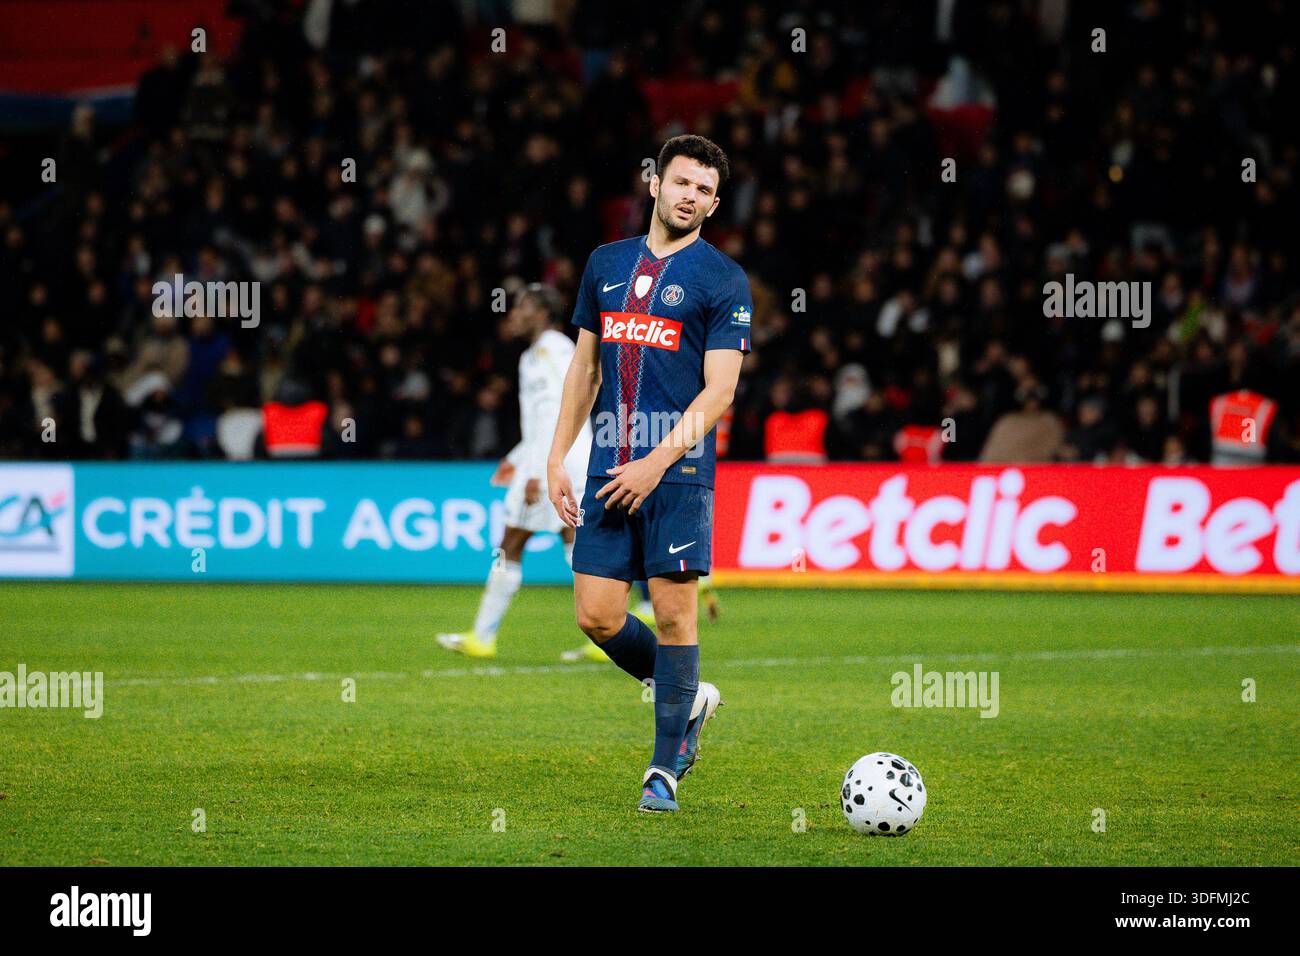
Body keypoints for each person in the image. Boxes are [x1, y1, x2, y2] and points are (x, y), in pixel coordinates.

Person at [546, 135, 750, 813]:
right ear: (655, 183)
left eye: (704, 190)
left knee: (672, 613)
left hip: (679, 471)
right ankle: (690, 698)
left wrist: (658, 461)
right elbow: (584, 369)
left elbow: (720, 390)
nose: (690, 196)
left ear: (714, 204)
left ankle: (662, 772)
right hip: (608, 465)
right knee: (597, 616)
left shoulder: (724, 280)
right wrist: (557, 458)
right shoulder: (605, 264)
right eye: (682, 182)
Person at [437, 284, 594, 658]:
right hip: (565, 458)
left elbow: (564, 407)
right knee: (576, 546)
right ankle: (606, 635)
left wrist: (539, 469)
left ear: (541, 312)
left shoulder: (554, 349)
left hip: (556, 463)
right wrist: (517, 457)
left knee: (509, 545)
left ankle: (482, 637)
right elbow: (542, 418)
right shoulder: (534, 356)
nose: (514, 315)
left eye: (522, 307)